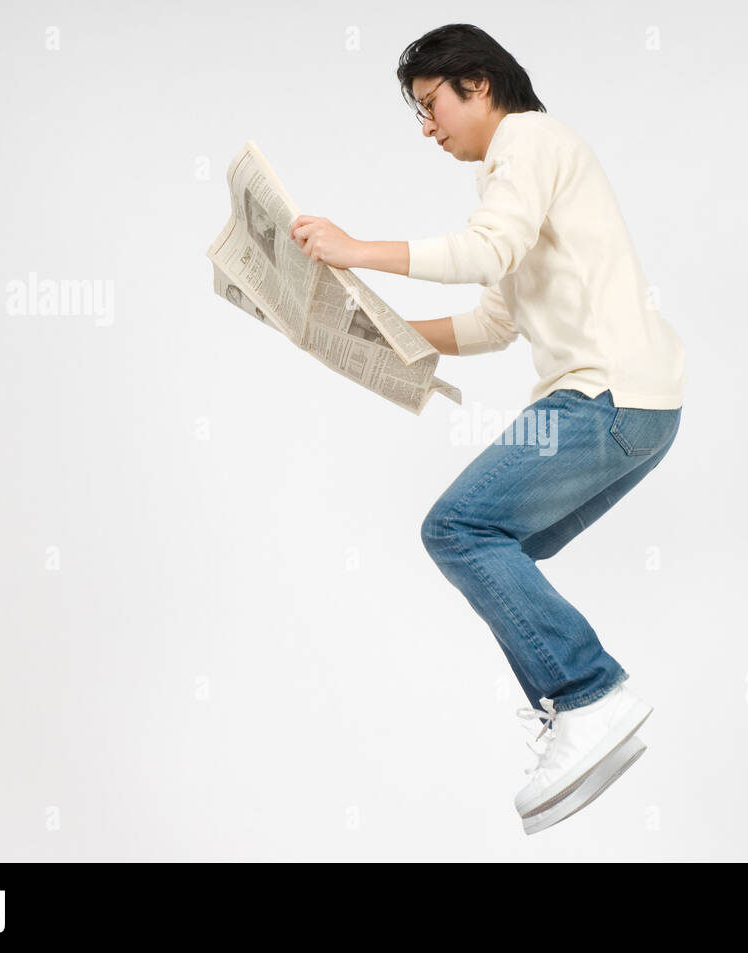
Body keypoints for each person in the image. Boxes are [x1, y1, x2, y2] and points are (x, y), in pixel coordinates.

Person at [287, 24, 686, 834]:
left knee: (459, 528)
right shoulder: (522, 169)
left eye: (431, 106)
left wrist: (356, 250)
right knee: (499, 547)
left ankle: (588, 693)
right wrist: (380, 332)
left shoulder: (529, 141)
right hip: (639, 408)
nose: (428, 129)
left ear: (477, 83)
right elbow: (497, 319)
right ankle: (577, 703)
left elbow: (484, 250)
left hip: (602, 400)